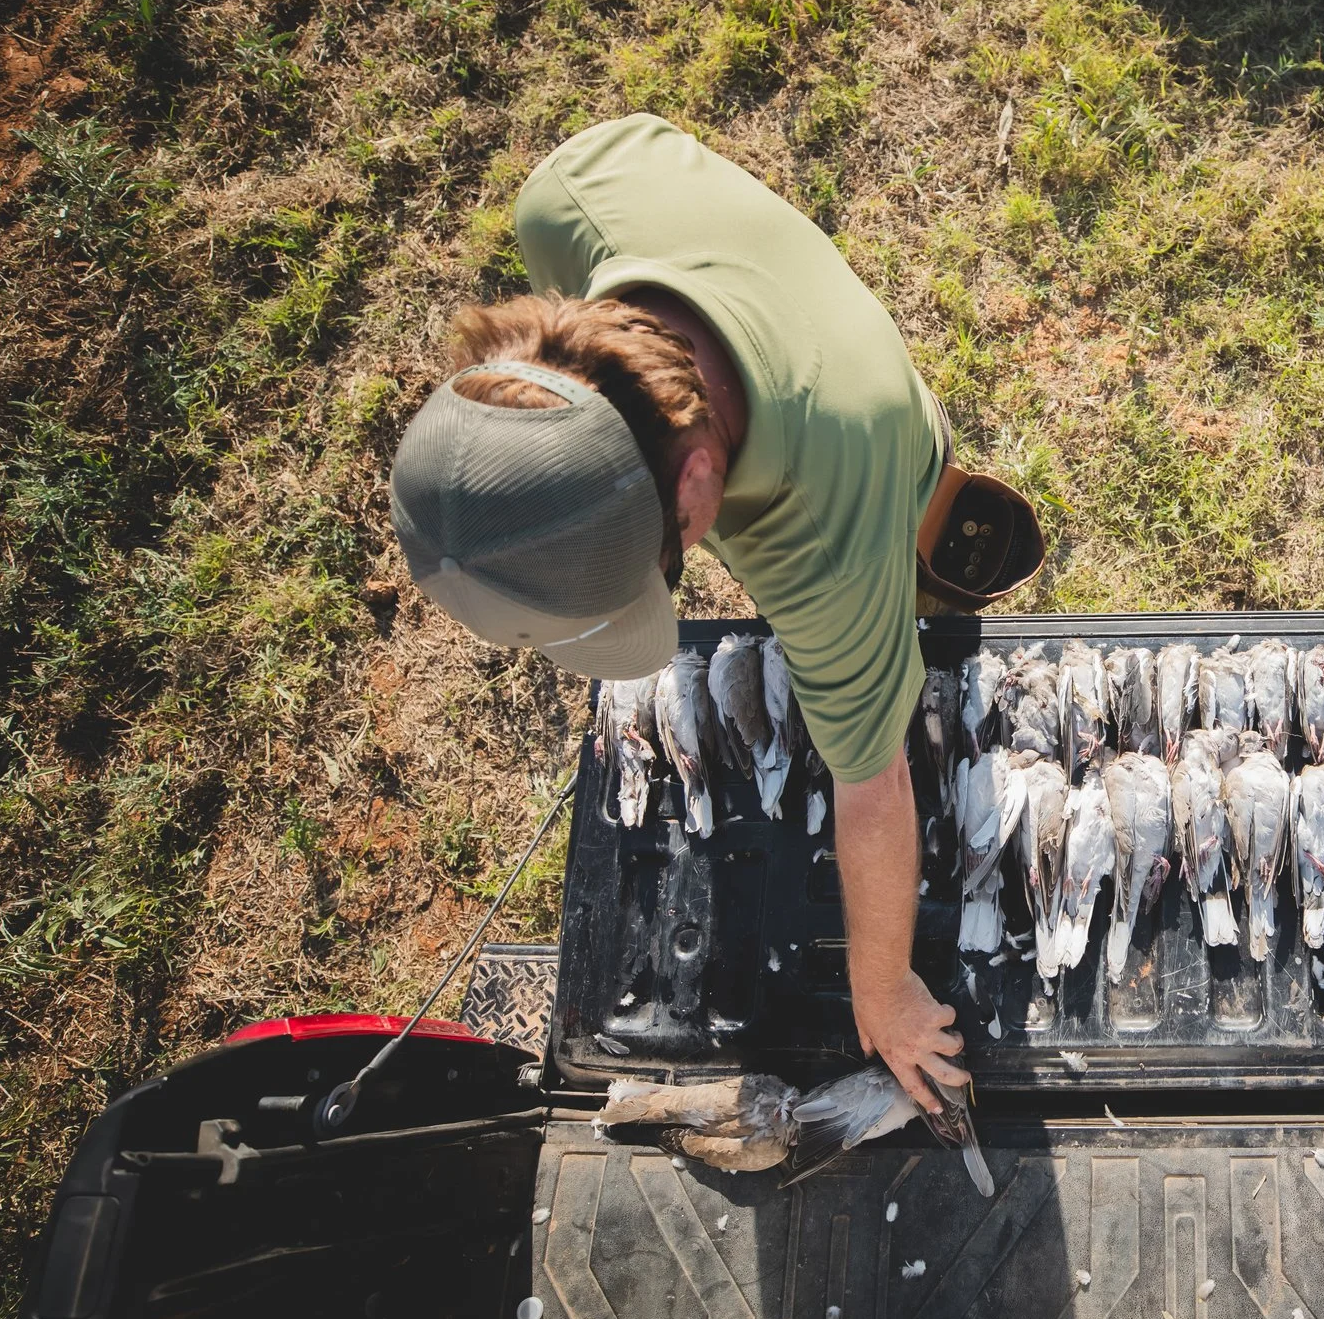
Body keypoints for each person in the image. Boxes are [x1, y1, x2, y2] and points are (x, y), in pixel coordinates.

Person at [386, 114, 1043, 1109]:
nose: (673, 577)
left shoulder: (825, 541)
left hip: (883, 465)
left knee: (913, 624)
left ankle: (946, 534)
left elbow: (873, 784)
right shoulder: (570, 202)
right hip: (792, 346)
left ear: (698, 473)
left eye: (661, 558)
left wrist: (886, 987)